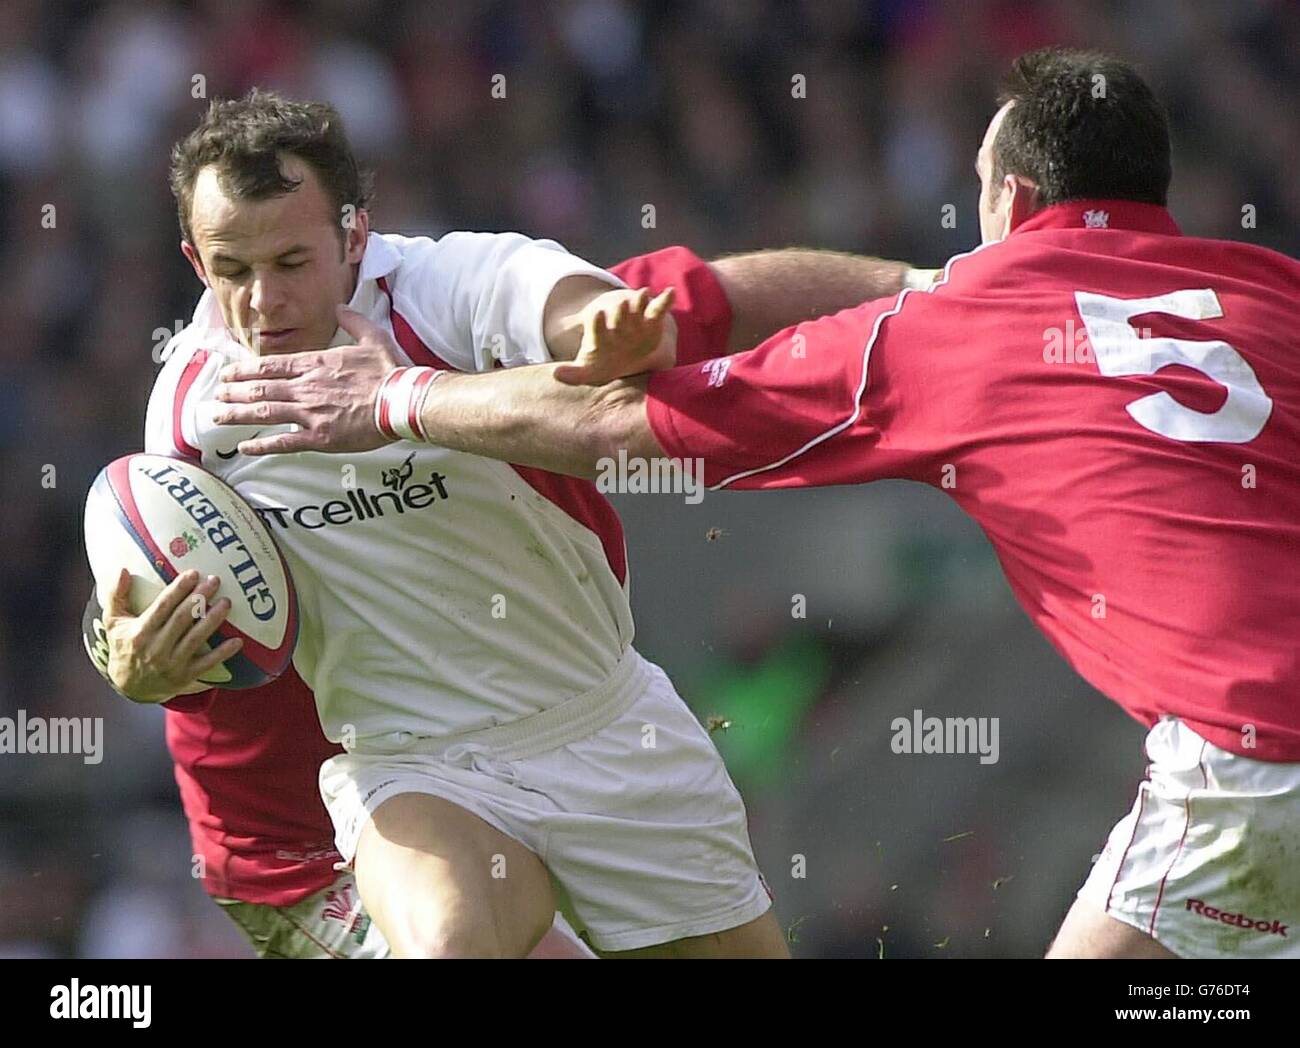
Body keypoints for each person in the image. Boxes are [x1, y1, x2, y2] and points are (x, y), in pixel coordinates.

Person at [227, 49, 1300, 960]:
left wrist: (401, 396)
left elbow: (618, 425)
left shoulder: (961, 327)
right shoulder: (1270, 287)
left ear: (1009, 204)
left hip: (1252, 755)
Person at [112, 88, 934, 958]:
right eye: (232, 270)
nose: (262, 302)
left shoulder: (450, 286)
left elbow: (583, 314)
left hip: (607, 729)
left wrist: (598, 332)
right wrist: (137, 657)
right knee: (451, 944)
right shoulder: (192, 415)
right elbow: (165, 601)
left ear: (355, 234)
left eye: (290, 261)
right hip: (414, 760)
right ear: (195, 264)